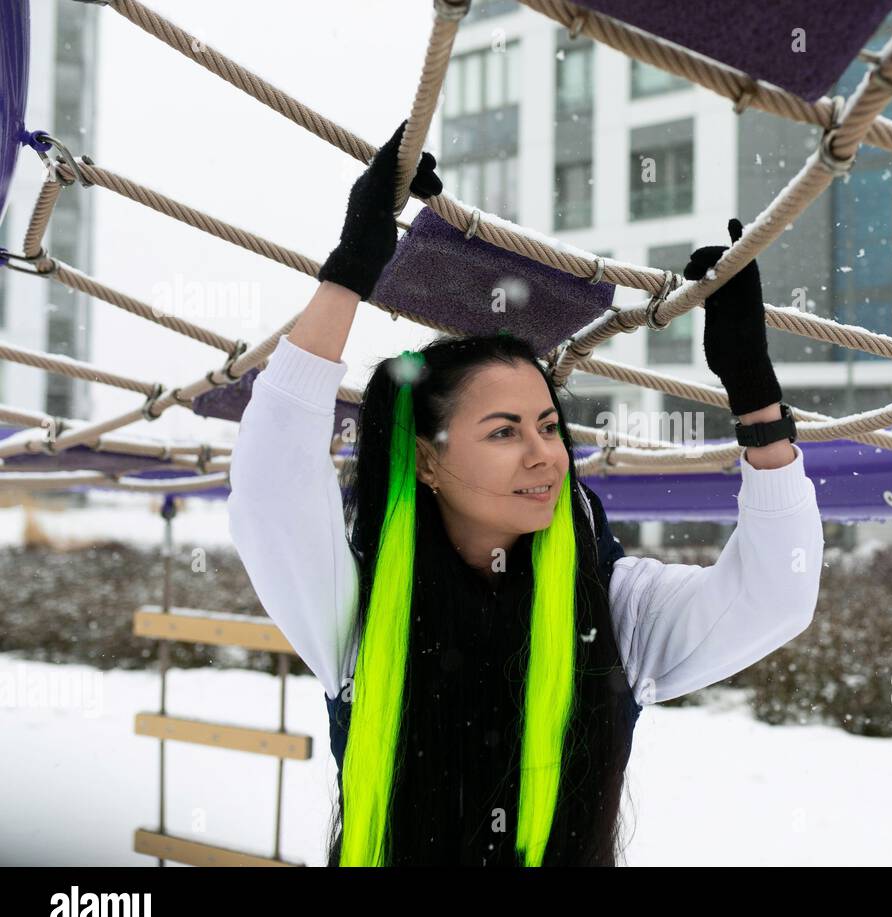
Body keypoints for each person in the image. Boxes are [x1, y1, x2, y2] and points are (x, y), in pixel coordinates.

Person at [227, 121, 824, 867]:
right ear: (428, 460)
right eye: (505, 432)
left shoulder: (613, 608)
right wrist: (350, 272)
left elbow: (776, 597)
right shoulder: (356, 607)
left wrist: (757, 400)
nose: (547, 454)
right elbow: (270, 487)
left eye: (548, 425)